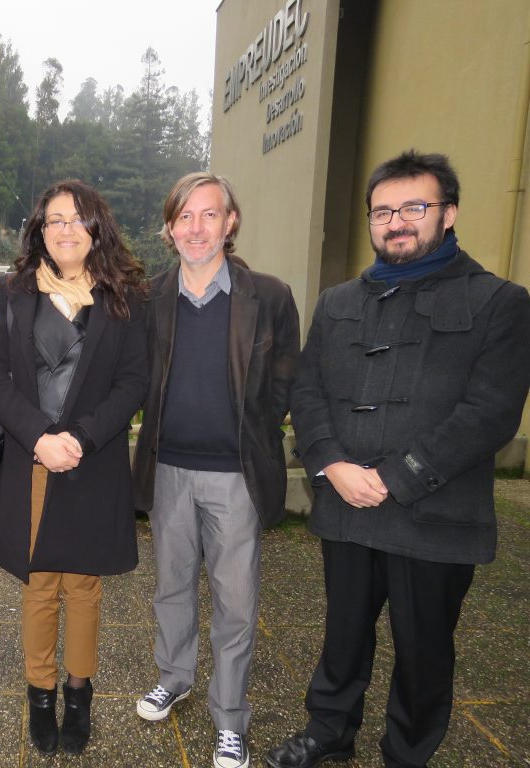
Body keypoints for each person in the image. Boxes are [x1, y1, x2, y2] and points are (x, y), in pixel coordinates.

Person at [265, 150, 530, 768]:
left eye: (414, 207)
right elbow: (307, 393)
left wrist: (394, 477)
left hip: (435, 515)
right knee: (342, 636)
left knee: (424, 650)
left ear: (449, 213)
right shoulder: (337, 303)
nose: (397, 221)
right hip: (348, 506)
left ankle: (408, 752)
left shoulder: (500, 302)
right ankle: (330, 730)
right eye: (383, 211)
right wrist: (330, 465)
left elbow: (489, 413)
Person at [130, 172, 300, 768]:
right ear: (169, 227)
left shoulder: (269, 295)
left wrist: (252, 435)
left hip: (236, 477)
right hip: (169, 469)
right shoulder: (150, 298)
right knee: (171, 589)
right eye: (184, 217)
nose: (195, 228)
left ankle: (230, 718)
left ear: (231, 222)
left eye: (209, 215)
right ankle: (174, 676)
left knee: (235, 602)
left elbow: (283, 380)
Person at [0, 179, 149, 756]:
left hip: (91, 460)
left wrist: (81, 436)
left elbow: (133, 382)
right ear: (40, 231)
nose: (66, 229)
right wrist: (40, 438)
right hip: (33, 463)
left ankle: (80, 694)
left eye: (78, 219)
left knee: (83, 586)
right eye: (54, 219)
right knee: (39, 584)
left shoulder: (123, 295)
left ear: (97, 228)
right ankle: (41, 696)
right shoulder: (13, 292)